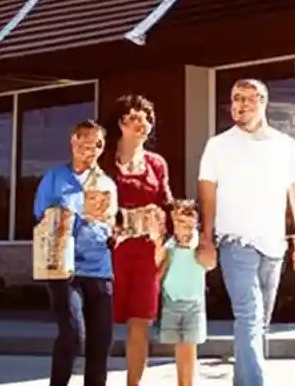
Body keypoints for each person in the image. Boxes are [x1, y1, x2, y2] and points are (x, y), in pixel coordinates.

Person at [197, 78, 295, 386]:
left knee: (260, 325)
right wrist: (206, 240)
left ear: (264, 103)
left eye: (249, 98)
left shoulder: (286, 146)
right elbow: (207, 197)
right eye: (236, 98)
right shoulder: (218, 146)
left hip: (274, 246)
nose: (241, 104)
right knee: (249, 316)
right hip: (236, 242)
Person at [32, 120, 117, 386]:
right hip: (63, 268)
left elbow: (112, 223)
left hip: (99, 268)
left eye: (98, 145)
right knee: (72, 334)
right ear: (74, 141)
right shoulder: (55, 177)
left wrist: (115, 230)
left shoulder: (106, 183)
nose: (92, 149)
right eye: (87, 142)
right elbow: (39, 216)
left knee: (101, 341)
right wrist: (71, 217)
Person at [105, 93, 174, 386]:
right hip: (109, 251)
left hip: (147, 251)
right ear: (121, 123)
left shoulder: (156, 163)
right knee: (101, 323)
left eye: (147, 119)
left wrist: (172, 236)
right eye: (134, 118)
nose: (142, 124)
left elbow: (166, 201)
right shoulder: (104, 161)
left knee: (140, 323)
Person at [156, 199, 212, 386]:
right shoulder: (169, 246)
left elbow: (210, 262)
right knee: (179, 348)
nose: (185, 229)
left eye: (189, 224)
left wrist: (202, 243)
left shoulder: (199, 245)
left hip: (193, 304)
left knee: (189, 346)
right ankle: (182, 382)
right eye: (180, 223)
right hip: (171, 302)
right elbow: (159, 270)